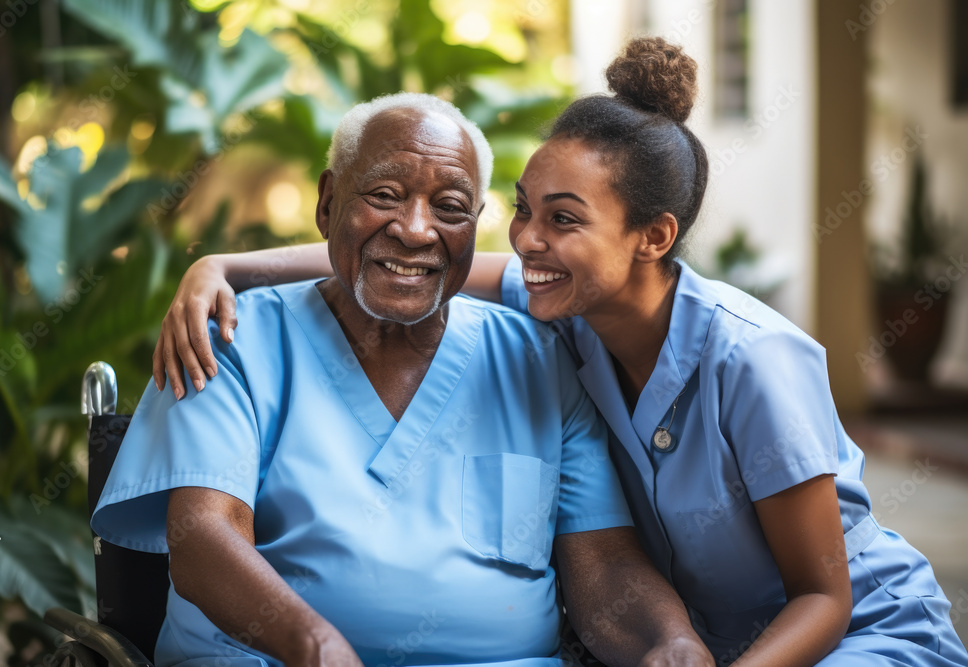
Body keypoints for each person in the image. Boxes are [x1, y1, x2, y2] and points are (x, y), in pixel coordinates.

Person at [152, 38, 968, 667]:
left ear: (653, 238)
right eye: (524, 211)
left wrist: (677, 642)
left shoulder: (747, 357)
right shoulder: (558, 309)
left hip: (849, 632)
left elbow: (818, 594)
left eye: (563, 219)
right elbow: (406, 255)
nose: (530, 240)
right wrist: (218, 265)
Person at [93, 92, 714, 667]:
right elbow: (203, 539)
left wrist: (673, 641)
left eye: (449, 208)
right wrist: (317, 646)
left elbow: (602, 561)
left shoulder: (540, 359)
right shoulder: (231, 336)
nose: (416, 231)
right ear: (328, 202)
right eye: (384, 196)